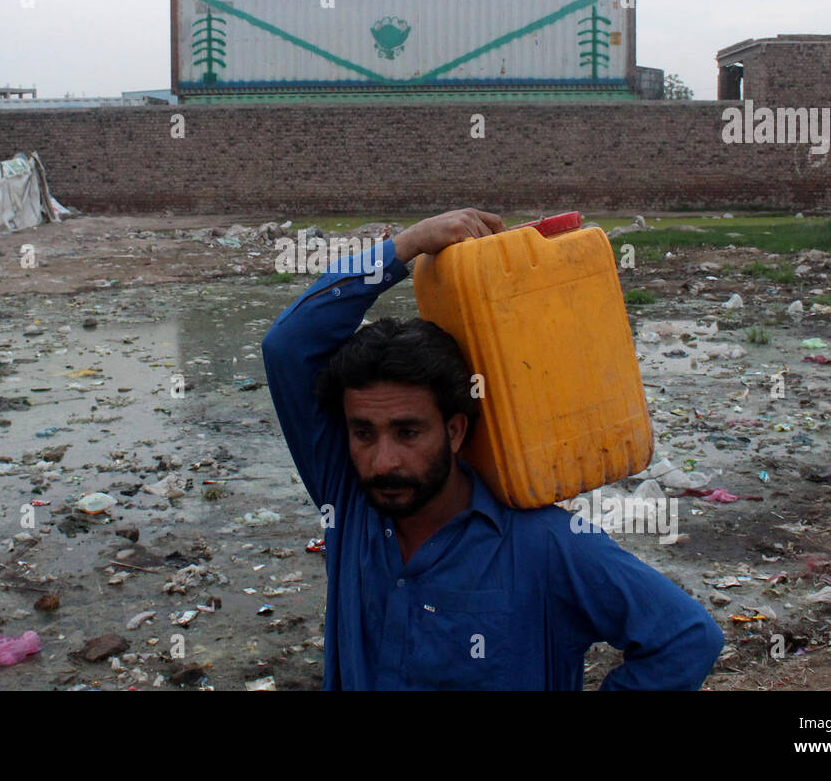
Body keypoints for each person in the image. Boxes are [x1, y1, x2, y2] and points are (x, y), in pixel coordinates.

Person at [262, 208, 725, 690]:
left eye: (408, 433)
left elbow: (686, 638)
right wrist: (405, 246)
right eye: (363, 433)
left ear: (456, 431)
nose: (383, 461)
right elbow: (288, 347)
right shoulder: (353, 505)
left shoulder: (545, 544)